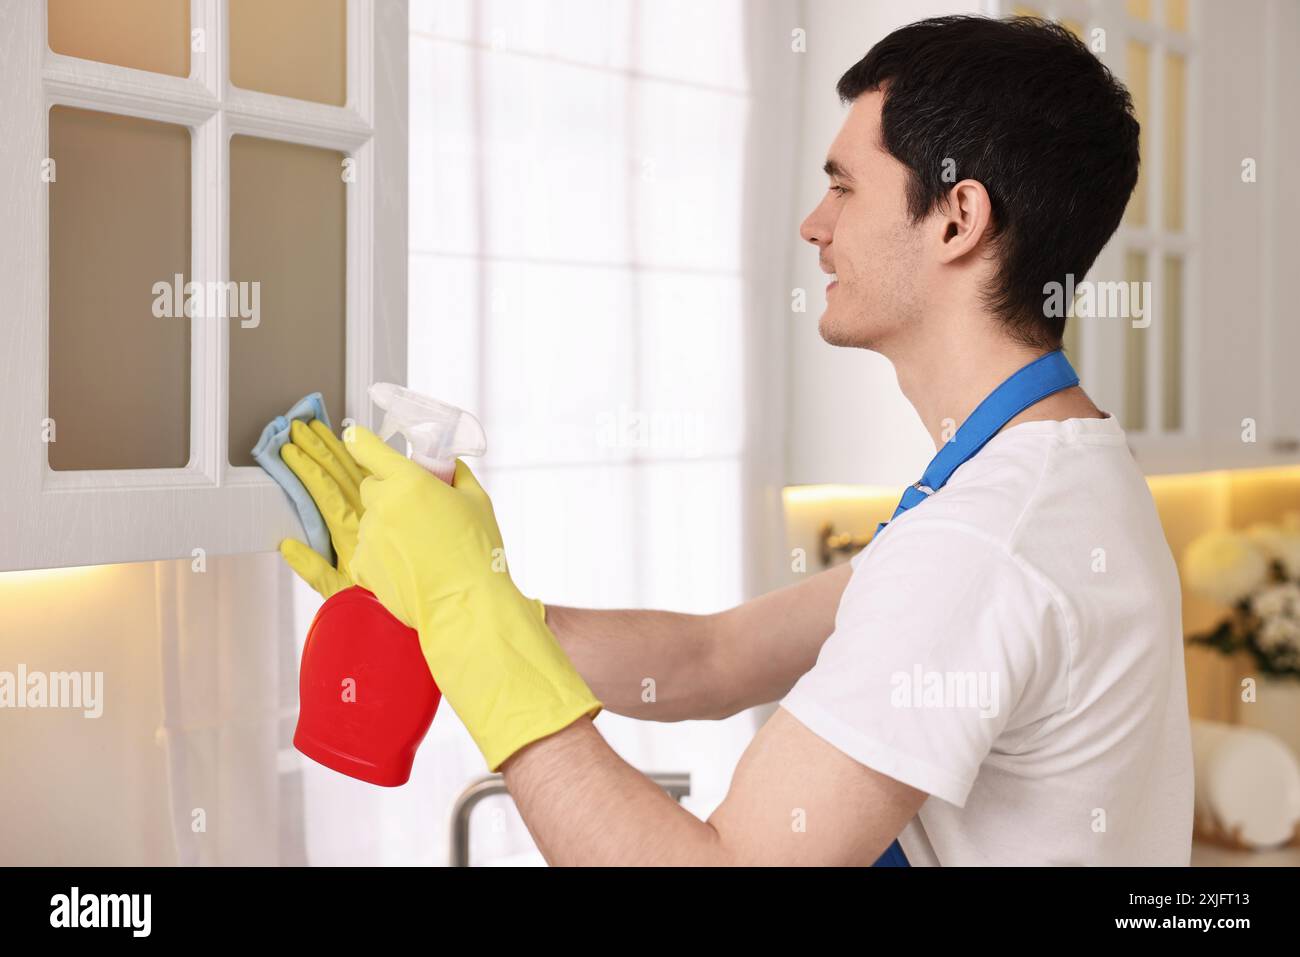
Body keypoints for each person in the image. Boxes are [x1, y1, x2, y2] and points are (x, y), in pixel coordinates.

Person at [281, 15, 1192, 866]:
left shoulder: (986, 543)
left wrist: (463, 615)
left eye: (843, 184)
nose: (815, 224)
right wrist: (463, 592)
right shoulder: (1045, 475)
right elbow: (709, 662)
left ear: (958, 217)